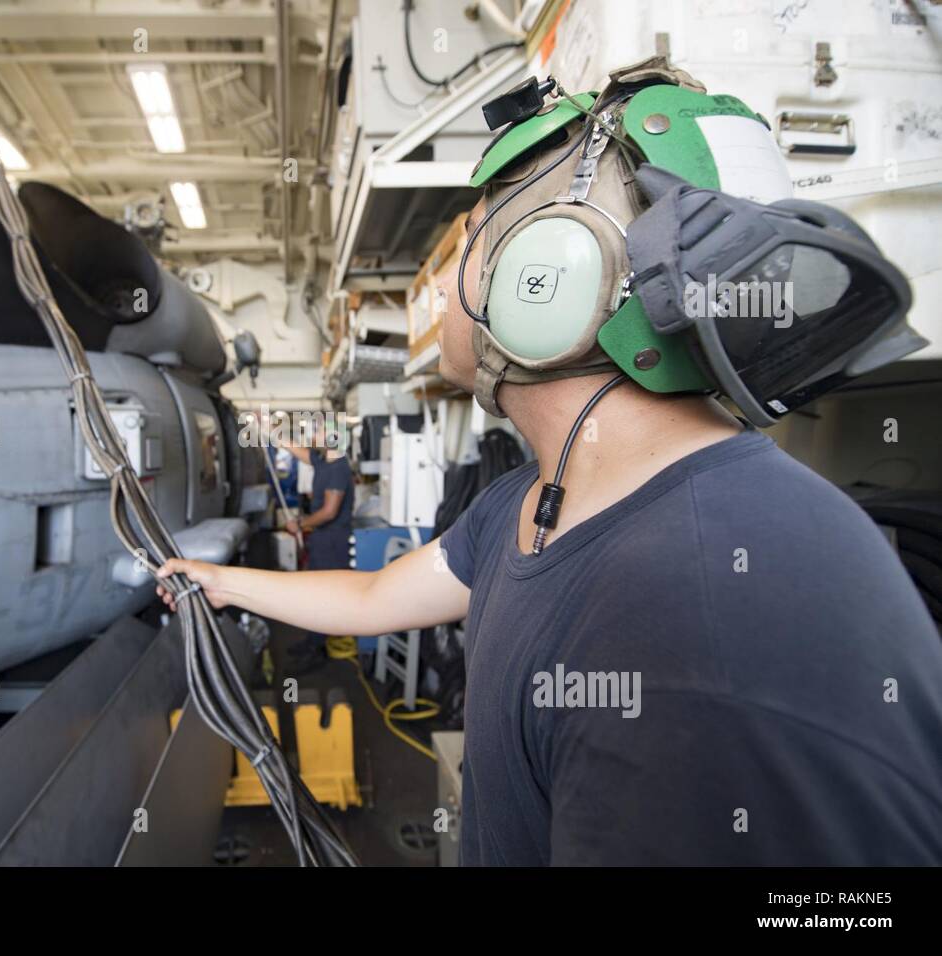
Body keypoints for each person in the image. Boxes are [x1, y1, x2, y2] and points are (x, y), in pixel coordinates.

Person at [157, 61, 942, 864]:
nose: (453, 283)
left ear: (550, 277)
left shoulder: (704, 611)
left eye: (475, 240)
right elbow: (374, 595)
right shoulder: (528, 503)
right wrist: (221, 581)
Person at [277, 424, 355, 666]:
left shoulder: (339, 469)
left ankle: (317, 651)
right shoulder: (324, 462)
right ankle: (313, 641)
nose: (313, 436)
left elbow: (329, 512)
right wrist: (268, 427)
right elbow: (294, 449)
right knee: (316, 591)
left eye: (319, 432)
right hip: (322, 539)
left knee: (324, 595)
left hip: (333, 541)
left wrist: (301, 524)